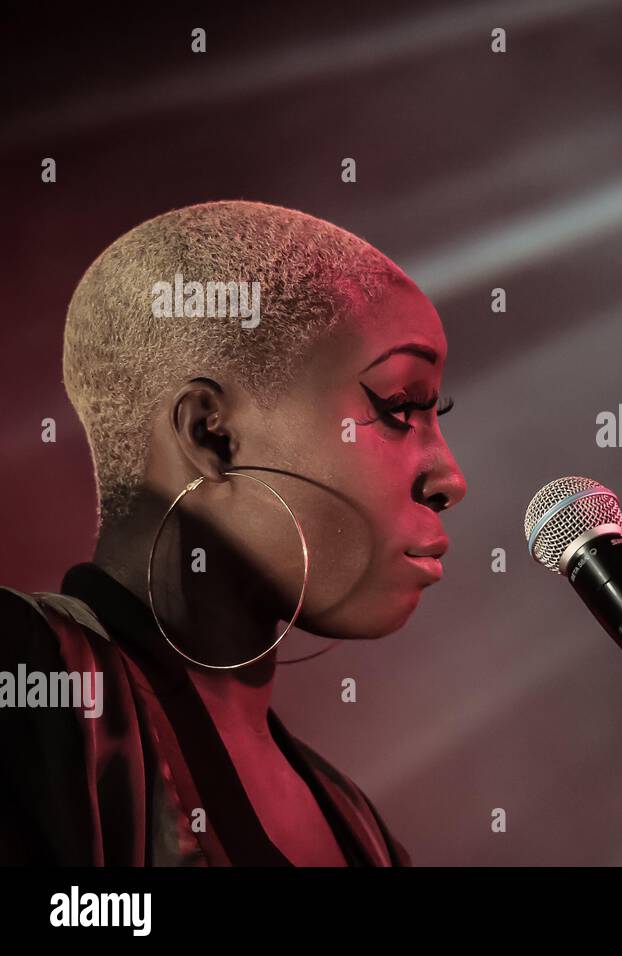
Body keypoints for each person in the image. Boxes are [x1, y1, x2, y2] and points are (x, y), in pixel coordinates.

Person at [0, 201, 467, 865]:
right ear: (209, 433)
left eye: (436, 411)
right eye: (398, 406)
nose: (450, 478)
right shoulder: (25, 673)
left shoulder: (359, 826)